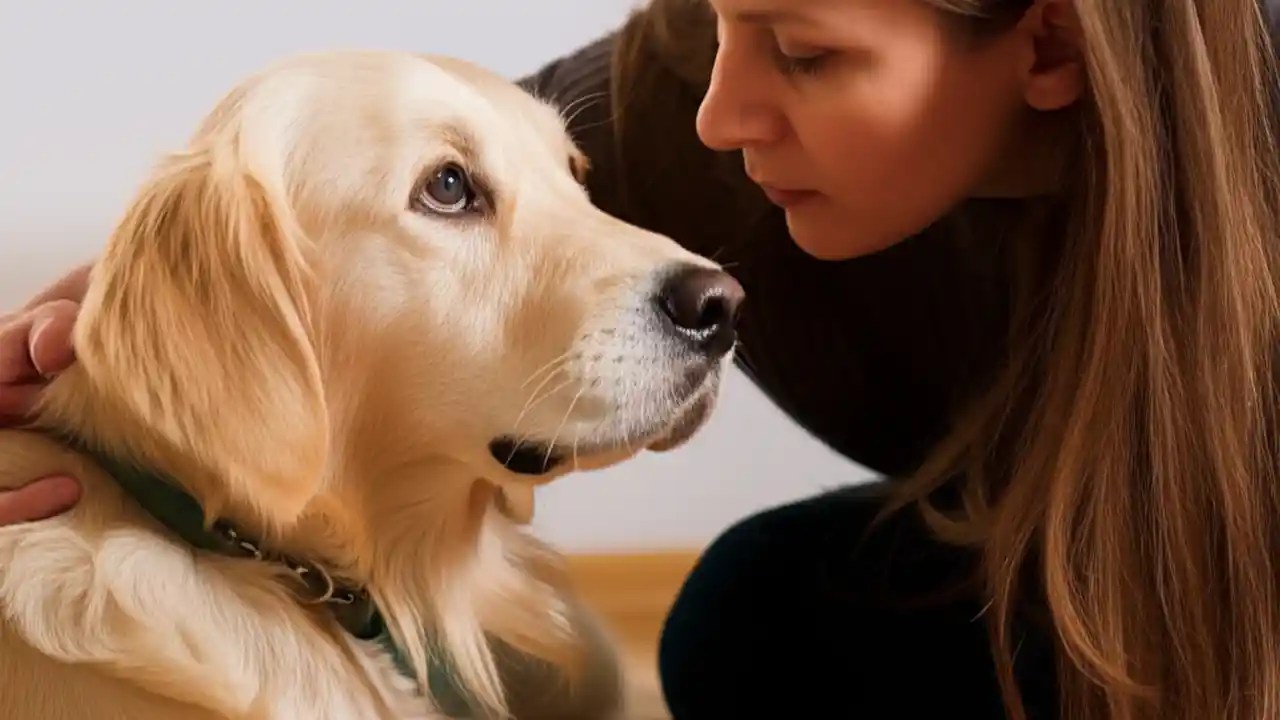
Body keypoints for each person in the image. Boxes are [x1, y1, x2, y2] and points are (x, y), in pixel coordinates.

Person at [4, 0, 1279, 717]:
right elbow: (376, 179)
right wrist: (130, 319)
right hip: (1072, 581)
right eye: (719, 22)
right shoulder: (693, 111)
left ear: (1051, 46)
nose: (717, 117)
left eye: (803, 52)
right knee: (757, 613)